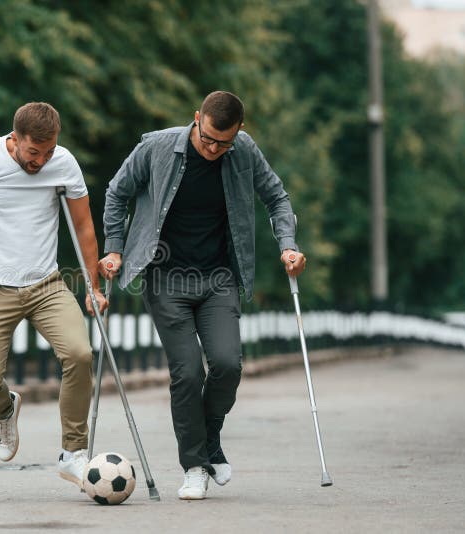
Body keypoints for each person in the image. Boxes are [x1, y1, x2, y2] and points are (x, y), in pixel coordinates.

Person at [98, 91, 306, 500]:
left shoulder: (243, 151)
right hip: (165, 278)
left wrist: (287, 244)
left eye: (222, 143)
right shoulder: (156, 147)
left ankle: (210, 439)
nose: (212, 149)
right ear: (196, 119)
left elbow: (276, 197)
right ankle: (194, 465)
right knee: (188, 372)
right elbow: (117, 192)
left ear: (238, 133)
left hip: (218, 279)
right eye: (207, 138)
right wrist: (114, 247)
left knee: (228, 365)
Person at [0, 102, 107, 490]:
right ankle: (5, 409)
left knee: (80, 354)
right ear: (15, 139)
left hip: (46, 284)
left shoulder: (63, 163)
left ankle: (74, 453)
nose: (42, 161)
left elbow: (83, 227)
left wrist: (92, 287)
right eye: (34, 153)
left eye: (49, 152)